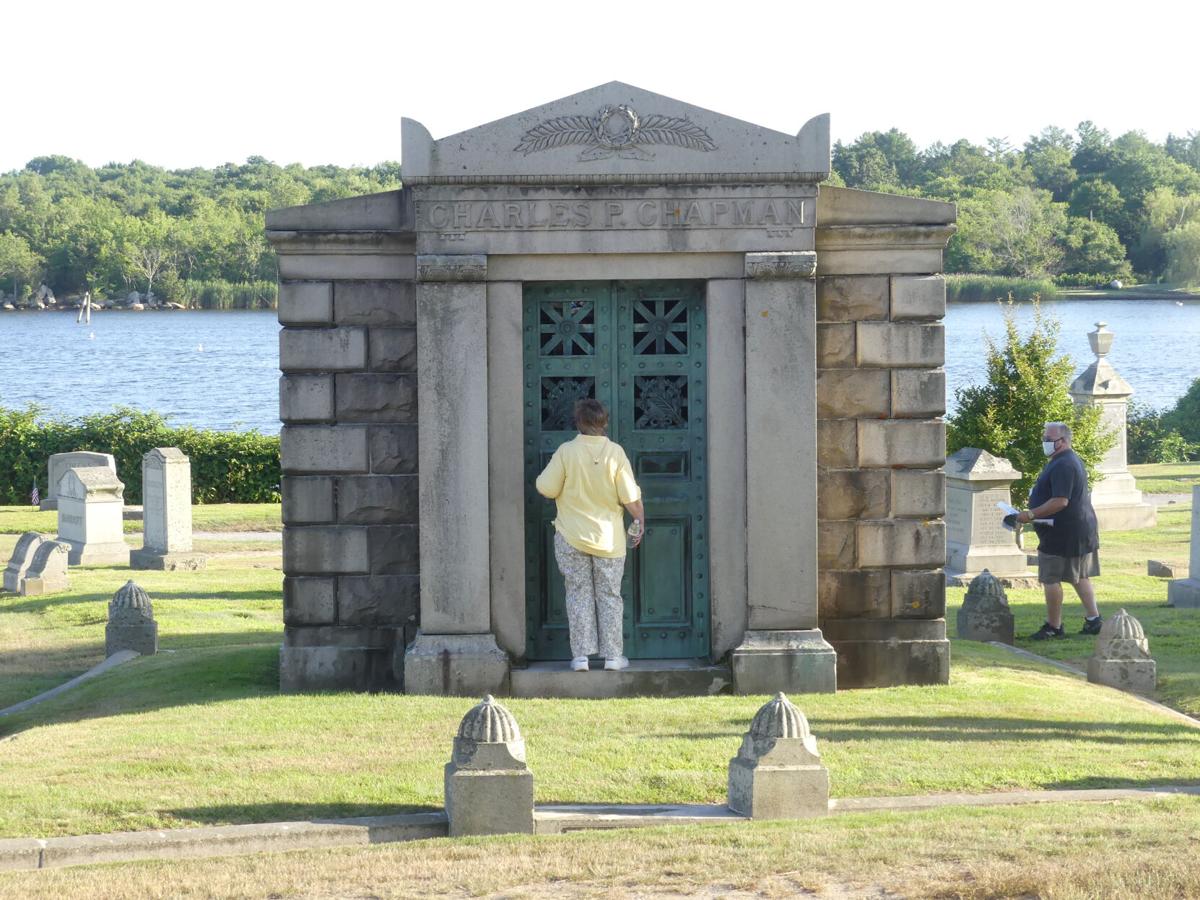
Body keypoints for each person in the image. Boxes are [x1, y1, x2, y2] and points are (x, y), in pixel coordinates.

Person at [535, 398, 644, 672]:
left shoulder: (566, 451)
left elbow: (545, 488)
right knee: (609, 596)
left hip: (571, 536)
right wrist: (640, 521)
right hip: (609, 539)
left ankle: (581, 657)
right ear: (604, 422)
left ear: (579, 423)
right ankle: (612, 657)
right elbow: (630, 497)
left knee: (578, 594)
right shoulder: (615, 453)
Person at [1017, 421, 1103, 639]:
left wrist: (1031, 514)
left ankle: (1054, 627)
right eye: (1044, 438)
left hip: (1062, 531)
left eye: (1049, 439)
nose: (1045, 443)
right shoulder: (1064, 460)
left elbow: (1060, 501)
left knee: (1051, 578)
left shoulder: (1064, 464)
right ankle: (1094, 620)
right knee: (1079, 575)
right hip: (1078, 529)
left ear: (1063, 441)